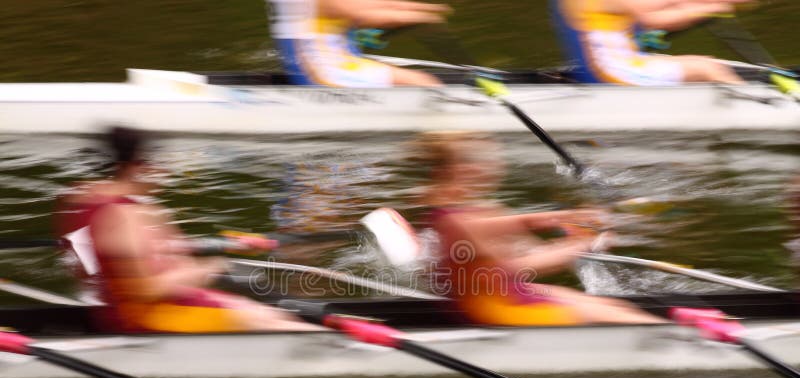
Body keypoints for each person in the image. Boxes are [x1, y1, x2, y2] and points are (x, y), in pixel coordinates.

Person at [56, 127, 318, 333]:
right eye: (157, 167)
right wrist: (209, 267)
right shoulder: (123, 216)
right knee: (274, 323)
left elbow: (131, 256)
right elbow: (147, 289)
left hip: (126, 308)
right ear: (137, 168)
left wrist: (220, 247)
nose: (163, 173)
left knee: (264, 312)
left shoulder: (82, 198)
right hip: (147, 317)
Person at [416, 131, 666, 326]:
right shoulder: (457, 221)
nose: (495, 168)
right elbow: (514, 268)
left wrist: (566, 219)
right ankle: (682, 342)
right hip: (494, 308)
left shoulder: (468, 209)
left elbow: (520, 230)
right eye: (489, 162)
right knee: (627, 319)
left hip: (501, 295)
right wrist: (582, 246)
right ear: (462, 170)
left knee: (617, 307)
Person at [550, 0, 749, 85]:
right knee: (708, 68)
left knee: (701, 63)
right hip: (612, 69)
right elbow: (654, 18)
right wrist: (715, 6)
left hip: (617, 63)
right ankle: (765, 109)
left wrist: (709, 6)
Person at [268, 0, 449, 87]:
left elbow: (369, 5)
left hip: (328, 65)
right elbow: (363, 15)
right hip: (323, 72)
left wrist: (424, 10)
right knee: (422, 82)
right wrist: (422, 16)